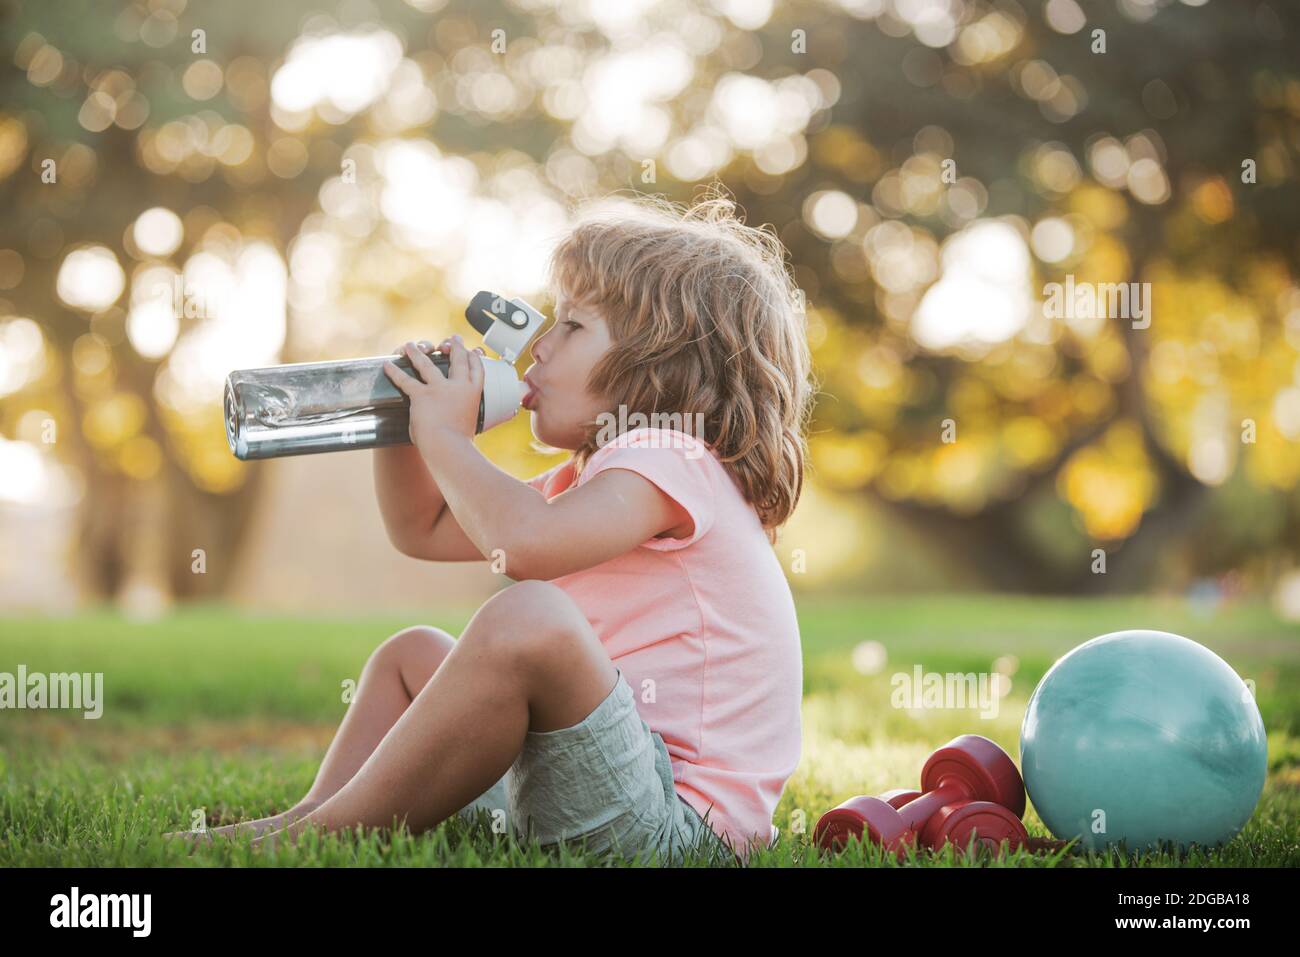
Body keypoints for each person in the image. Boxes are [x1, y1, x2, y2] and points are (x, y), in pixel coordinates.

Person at [177, 192, 815, 865]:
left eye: (571, 326)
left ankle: (314, 838)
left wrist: (448, 435)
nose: (538, 347)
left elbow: (525, 547)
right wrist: (406, 426)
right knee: (412, 655)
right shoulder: (596, 486)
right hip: (603, 781)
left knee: (530, 616)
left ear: (659, 363)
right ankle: (317, 821)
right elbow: (422, 528)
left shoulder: (672, 457)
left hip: (679, 832)